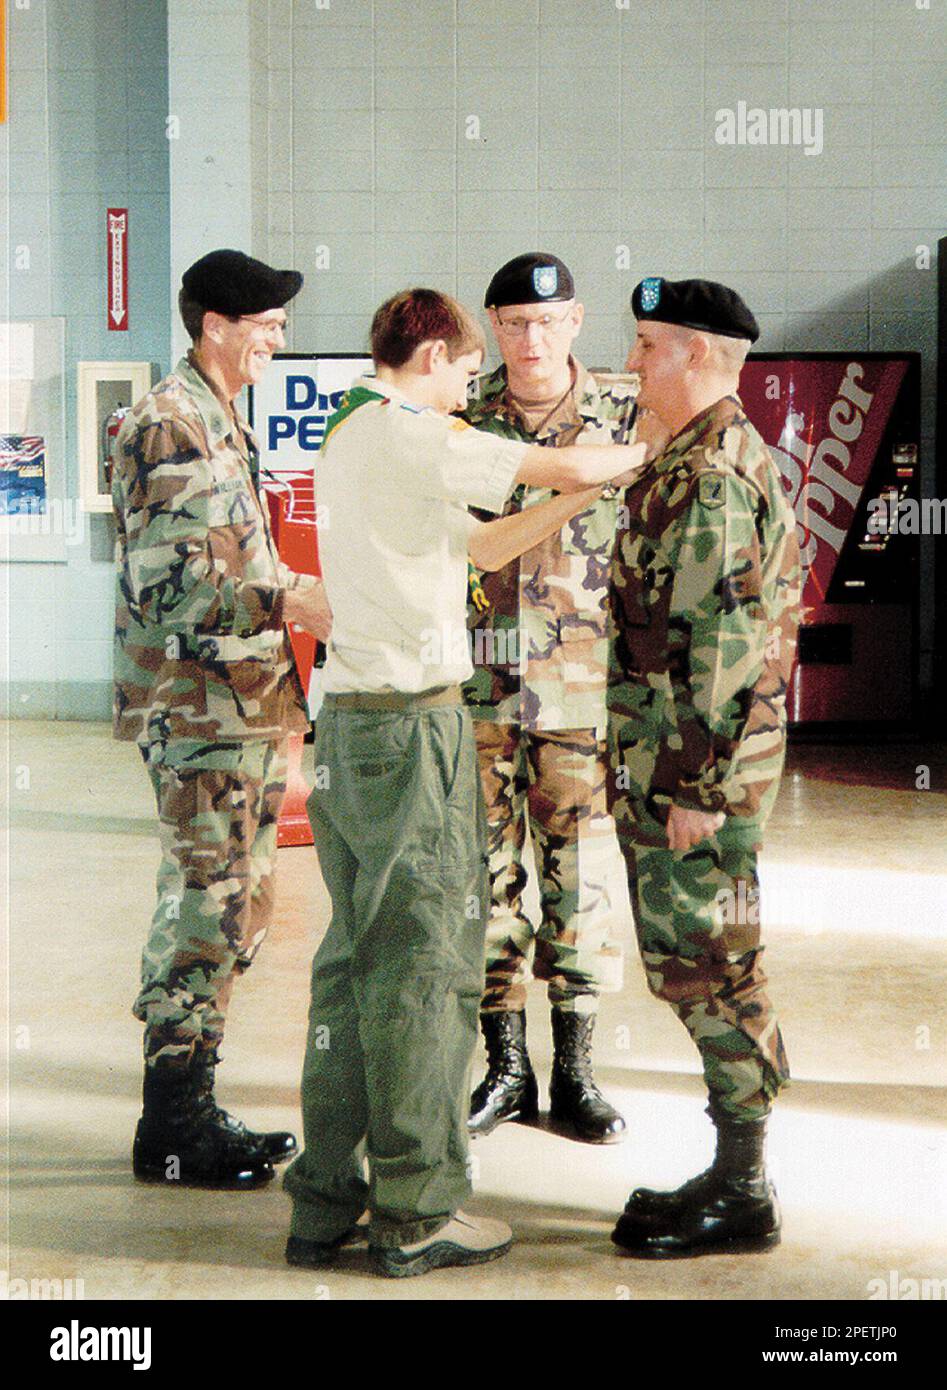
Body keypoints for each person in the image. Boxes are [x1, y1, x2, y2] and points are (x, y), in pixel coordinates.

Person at [281, 288, 644, 1278]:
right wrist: (637, 455)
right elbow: (565, 455)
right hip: (410, 733)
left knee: (354, 965)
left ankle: (324, 1201)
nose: (469, 385)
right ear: (433, 353)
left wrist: (572, 505)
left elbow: (478, 544)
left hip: (352, 726)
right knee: (427, 972)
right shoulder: (412, 431)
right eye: (465, 366)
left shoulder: (355, 433)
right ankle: (416, 1210)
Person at [113, 249, 332, 1189]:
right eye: (268, 325)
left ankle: (193, 1105)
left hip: (234, 706)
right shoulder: (172, 420)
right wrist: (296, 600)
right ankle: (170, 1127)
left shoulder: (216, 414)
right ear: (218, 326)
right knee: (202, 910)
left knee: (236, 905)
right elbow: (176, 581)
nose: (278, 340)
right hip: (197, 708)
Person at [606, 277, 801, 1257]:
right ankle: (737, 1168)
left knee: (709, 965)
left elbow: (720, 645)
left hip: (695, 777)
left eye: (646, 345)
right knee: (704, 960)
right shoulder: (688, 457)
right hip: (684, 766)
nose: (633, 361)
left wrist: (689, 789)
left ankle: (741, 1184)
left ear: (694, 354)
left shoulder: (713, 474)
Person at [463, 252, 667, 1144]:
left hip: (586, 692)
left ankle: (576, 1070)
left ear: (576, 323)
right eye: (512, 323)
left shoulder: (629, 415)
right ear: (492, 327)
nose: (531, 339)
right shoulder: (464, 422)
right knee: (482, 874)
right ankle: (504, 1066)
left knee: (579, 877)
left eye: (547, 322)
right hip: (478, 689)